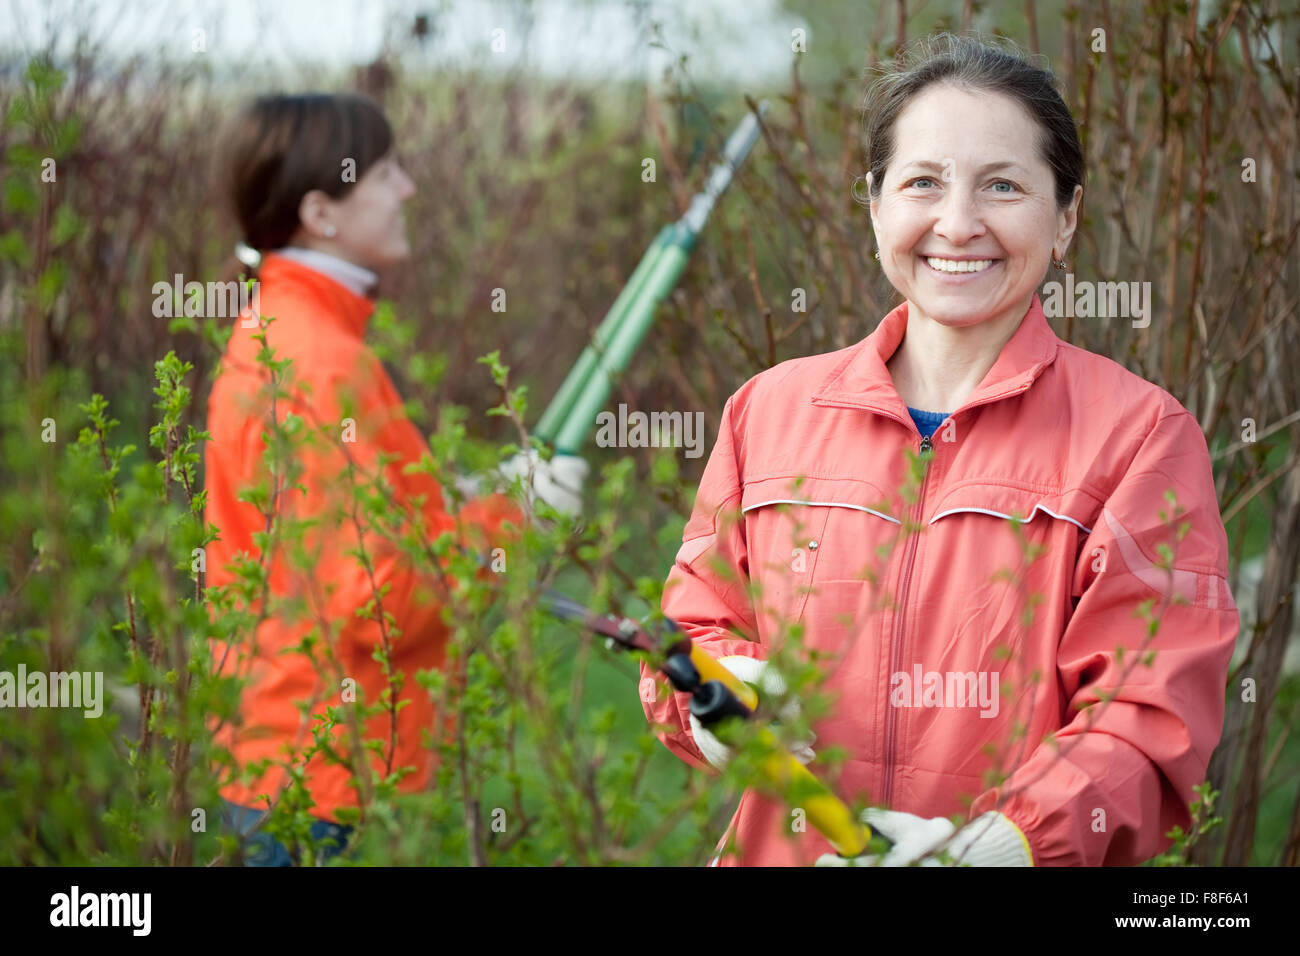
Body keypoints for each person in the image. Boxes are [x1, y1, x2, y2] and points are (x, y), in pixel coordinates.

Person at [640, 34, 1238, 867]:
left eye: (1003, 185)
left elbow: (1150, 712)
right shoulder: (766, 411)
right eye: (923, 182)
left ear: (1065, 218)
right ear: (877, 205)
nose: (958, 223)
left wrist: (1006, 845)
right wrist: (715, 696)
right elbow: (695, 629)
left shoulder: (1140, 438)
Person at [205, 93, 587, 864]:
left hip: (284, 759)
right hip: (323, 783)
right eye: (384, 174)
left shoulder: (285, 333)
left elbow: (346, 536)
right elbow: (380, 604)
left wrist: (463, 500)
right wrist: (515, 516)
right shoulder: (322, 363)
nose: (407, 188)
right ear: (322, 212)